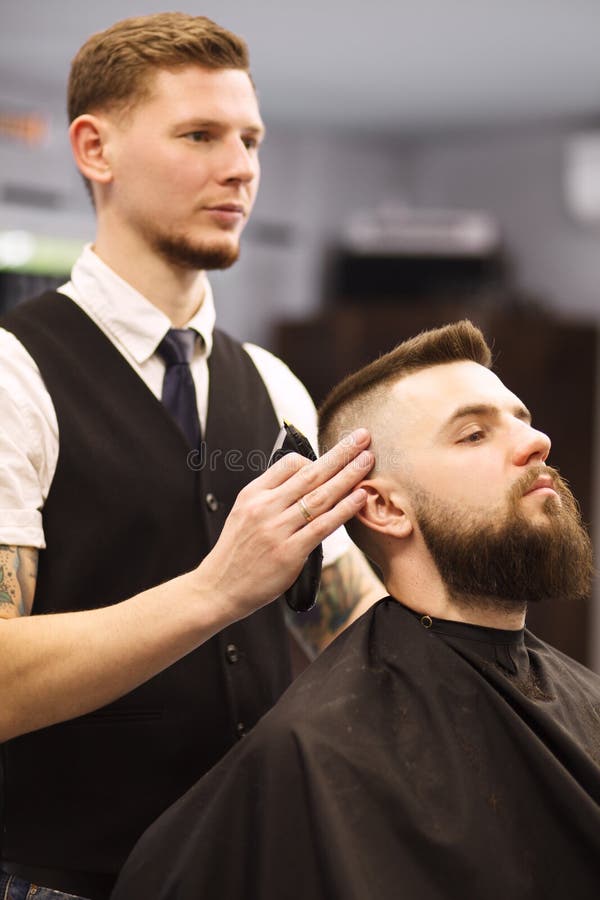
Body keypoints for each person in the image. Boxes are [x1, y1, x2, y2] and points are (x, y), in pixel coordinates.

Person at [0, 12, 383, 900]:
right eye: (200, 135)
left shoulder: (276, 387)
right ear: (95, 149)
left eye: (250, 138)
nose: (241, 165)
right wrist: (217, 589)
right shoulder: (15, 375)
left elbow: (349, 629)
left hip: (247, 866)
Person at [112, 320, 600, 900]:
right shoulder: (315, 754)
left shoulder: (585, 703)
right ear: (384, 508)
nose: (535, 441)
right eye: (473, 434)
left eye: (522, 419)